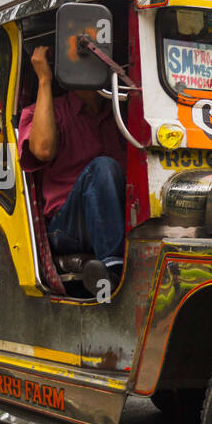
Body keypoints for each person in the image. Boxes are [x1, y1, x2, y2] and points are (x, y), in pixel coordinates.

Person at [18, 45, 127, 294]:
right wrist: (44, 80)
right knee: (102, 167)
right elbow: (43, 150)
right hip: (67, 226)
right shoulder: (49, 112)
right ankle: (114, 268)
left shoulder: (122, 115)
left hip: (119, 217)